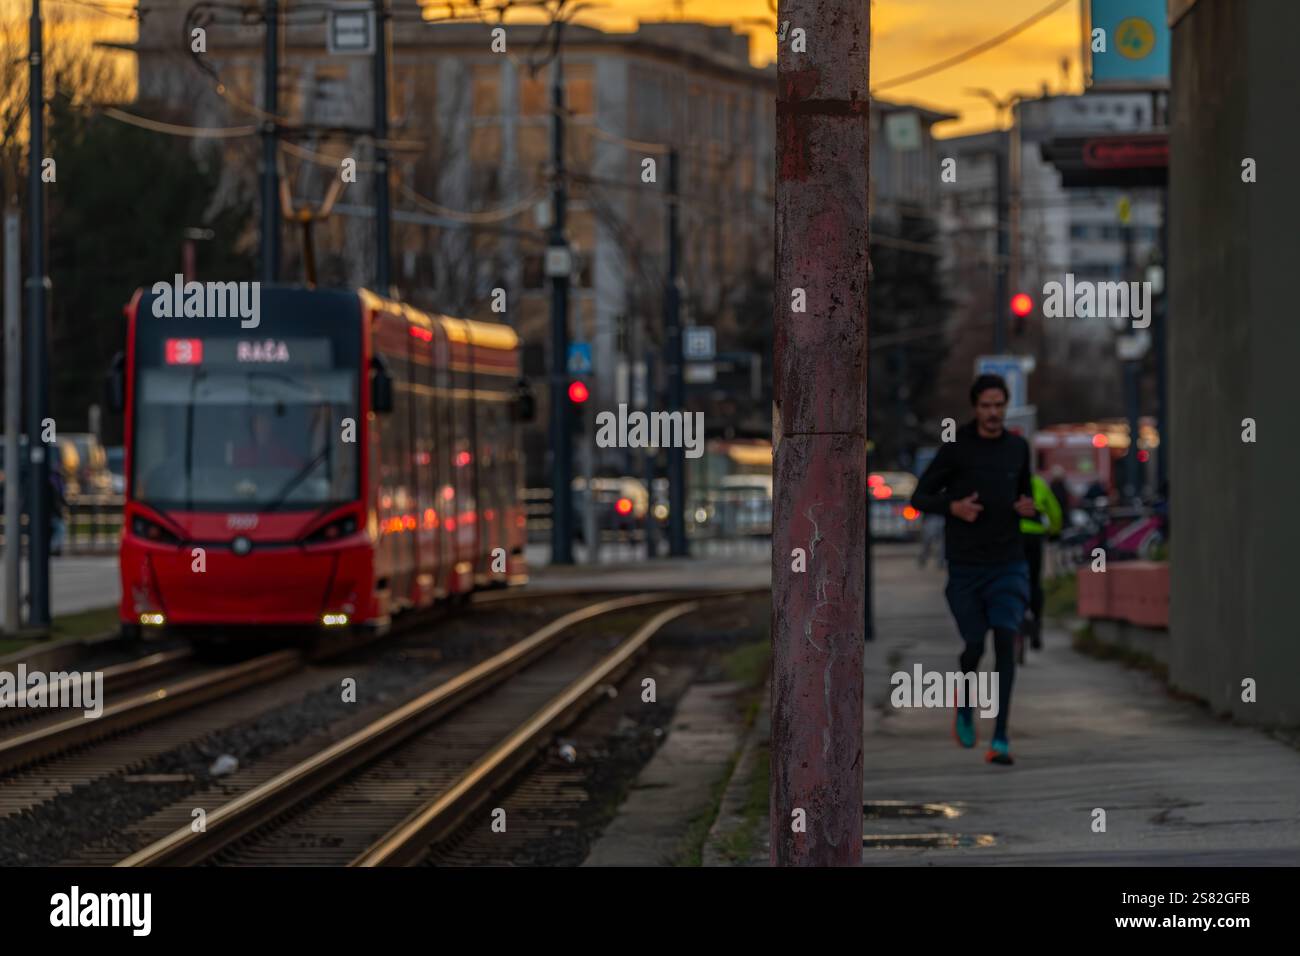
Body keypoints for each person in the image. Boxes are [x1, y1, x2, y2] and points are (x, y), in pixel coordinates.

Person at [911, 374, 1035, 766]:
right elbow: (920, 496)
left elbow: (1025, 495)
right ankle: (965, 705)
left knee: (1004, 640)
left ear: (1006, 406)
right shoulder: (956, 449)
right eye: (986, 406)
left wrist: (1027, 508)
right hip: (966, 567)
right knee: (975, 645)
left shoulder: (1018, 448)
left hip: (1009, 563)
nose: (993, 413)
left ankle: (1000, 737)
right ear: (975, 408)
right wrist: (954, 507)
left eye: (999, 405)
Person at [1019, 473, 1063, 649]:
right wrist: (1054, 531)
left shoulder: (1006, 481)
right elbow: (1055, 512)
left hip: (1011, 538)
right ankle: (1036, 625)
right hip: (1034, 537)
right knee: (1034, 581)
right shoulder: (1038, 483)